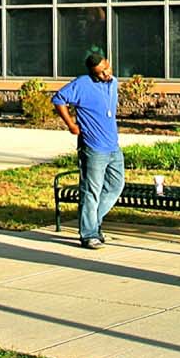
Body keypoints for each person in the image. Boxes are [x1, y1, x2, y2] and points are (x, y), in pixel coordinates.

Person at [53, 46, 124, 249]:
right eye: (101, 72)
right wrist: (71, 124)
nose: (106, 74)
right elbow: (58, 99)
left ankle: (93, 222)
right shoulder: (82, 84)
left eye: (107, 69)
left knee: (115, 186)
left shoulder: (113, 83)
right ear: (92, 73)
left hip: (113, 146)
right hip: (93, 147)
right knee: (91, 191)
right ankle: (89, 234)